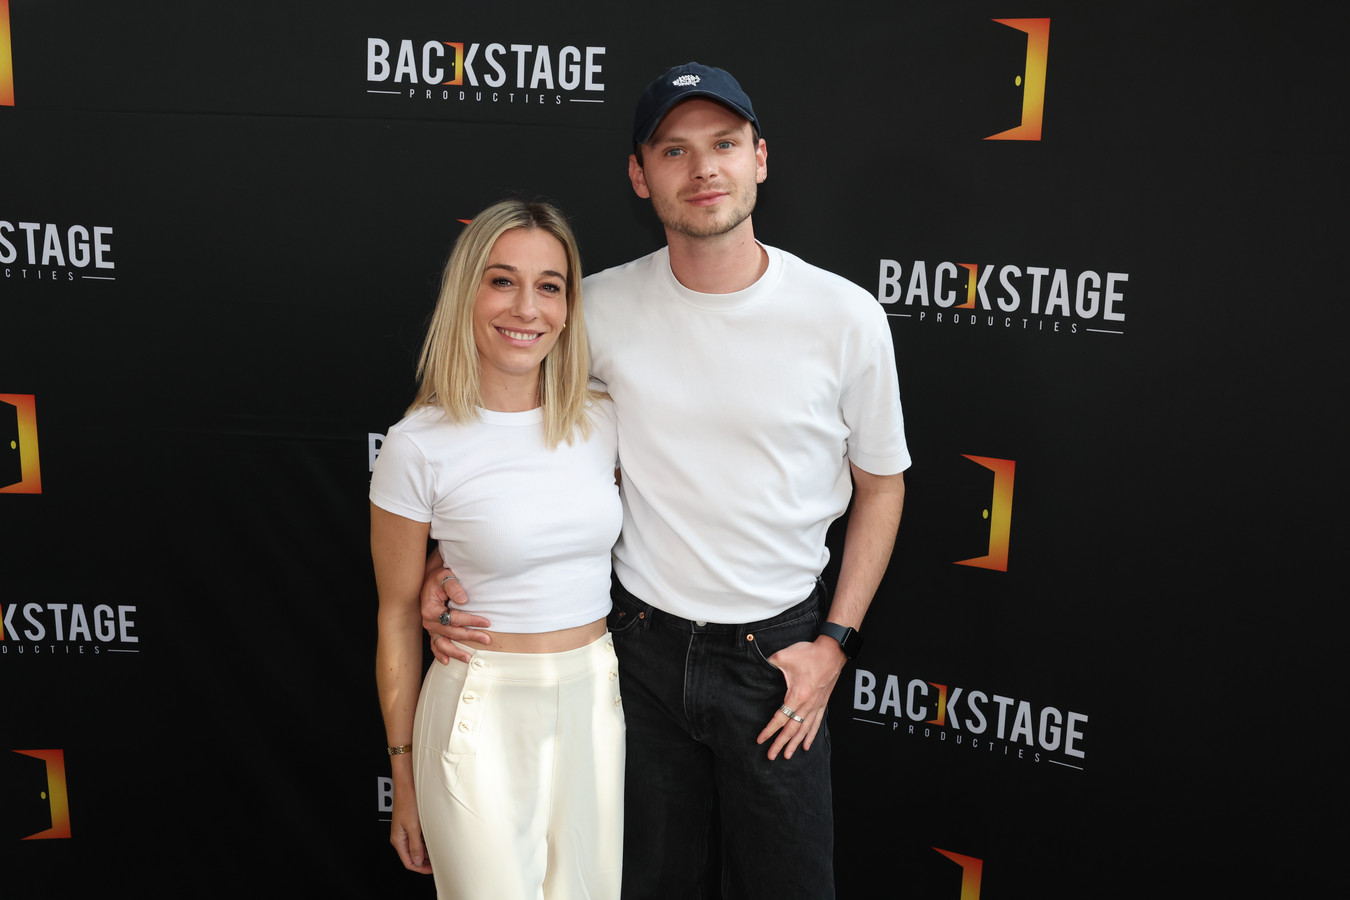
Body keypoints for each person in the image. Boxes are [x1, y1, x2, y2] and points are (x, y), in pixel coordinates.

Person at [423, 63, 909, 898]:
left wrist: (836, 645)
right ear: (640, 176)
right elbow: (510, 432)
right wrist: (448, 559)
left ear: (760, 158)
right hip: (635, 653)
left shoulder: (845, 317)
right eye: (675, 151)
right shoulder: (595, 308)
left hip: (777, 661)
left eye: (724, 144)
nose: (703, 169)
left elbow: (883, 486)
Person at [370, 199, 624, 900]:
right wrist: (404, 779)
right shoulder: (417, 444)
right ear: (467, 293)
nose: (527, 308)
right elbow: (396, 616)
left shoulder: (603, 418)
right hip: (476, 711)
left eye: (550, 286)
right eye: (502, 281)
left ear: (569, 307)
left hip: (594, 700)